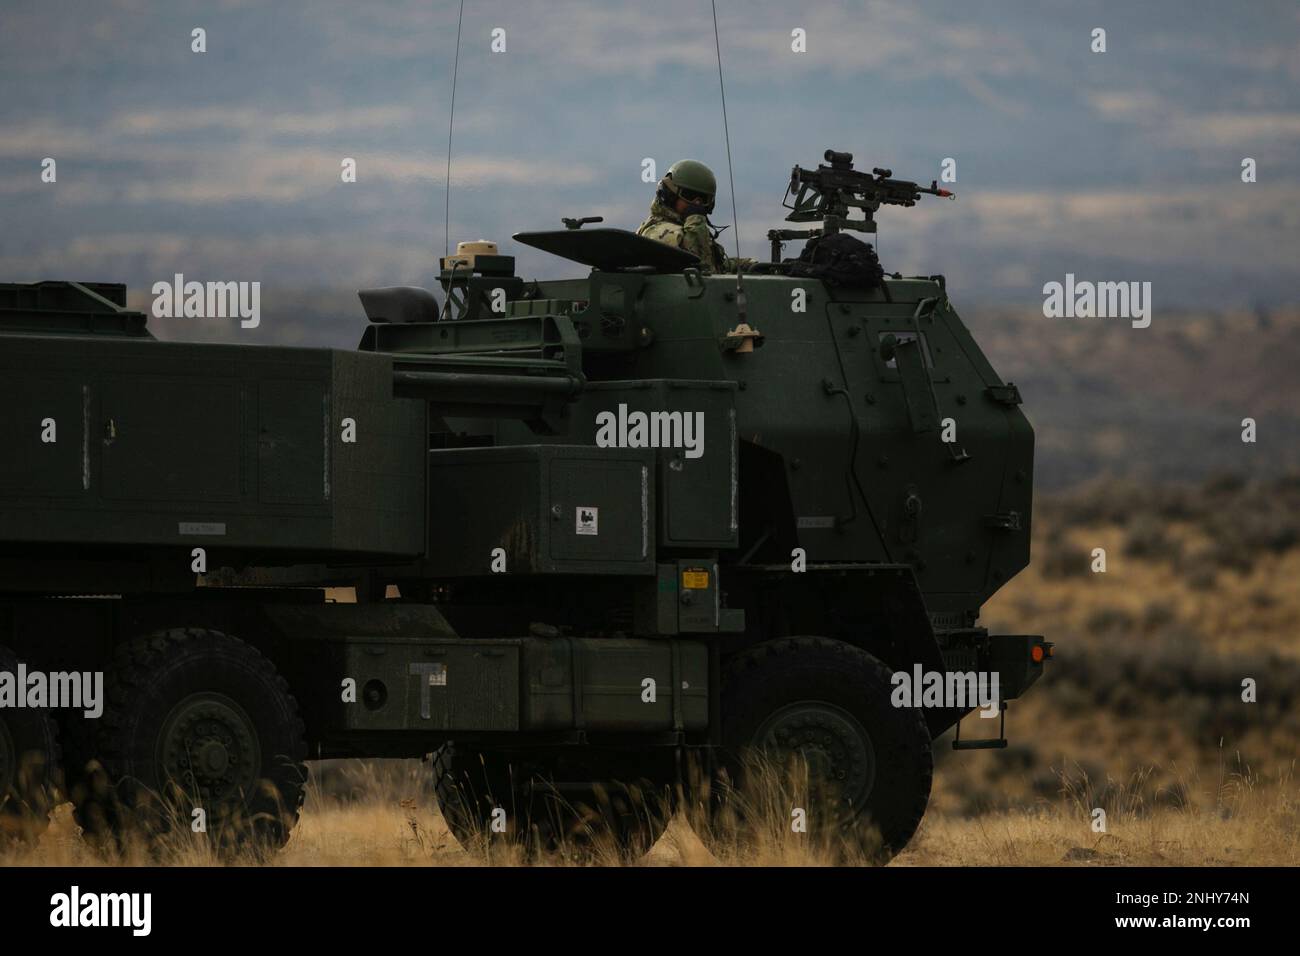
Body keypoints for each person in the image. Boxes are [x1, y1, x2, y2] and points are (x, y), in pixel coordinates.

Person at [637, 159, 753, 274]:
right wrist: (696, 220)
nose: (696, 203)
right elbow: (703, 269)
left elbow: (715, 267)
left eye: (703, 199)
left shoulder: (689, 228)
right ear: (670, 195)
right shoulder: (659, 233)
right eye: (689, 195)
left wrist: (746, 265)